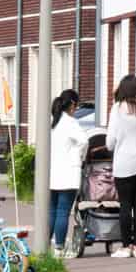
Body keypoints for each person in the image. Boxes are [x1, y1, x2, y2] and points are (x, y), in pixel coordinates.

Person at [105, 72, 136, 258]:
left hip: (125, 162)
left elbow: (110, 141)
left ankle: (126, 247)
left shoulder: (117, 108)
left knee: (125, 205)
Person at [48, 89, 86, 252]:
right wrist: (79, 156)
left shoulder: (52, 122)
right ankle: (59, 247)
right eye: (76, 106)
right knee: (63, 211)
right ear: (72, 105)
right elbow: (84, 141)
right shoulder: (71, 123)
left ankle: (46, 244)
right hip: (68, 173)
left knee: (52, 210)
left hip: (51, 172)